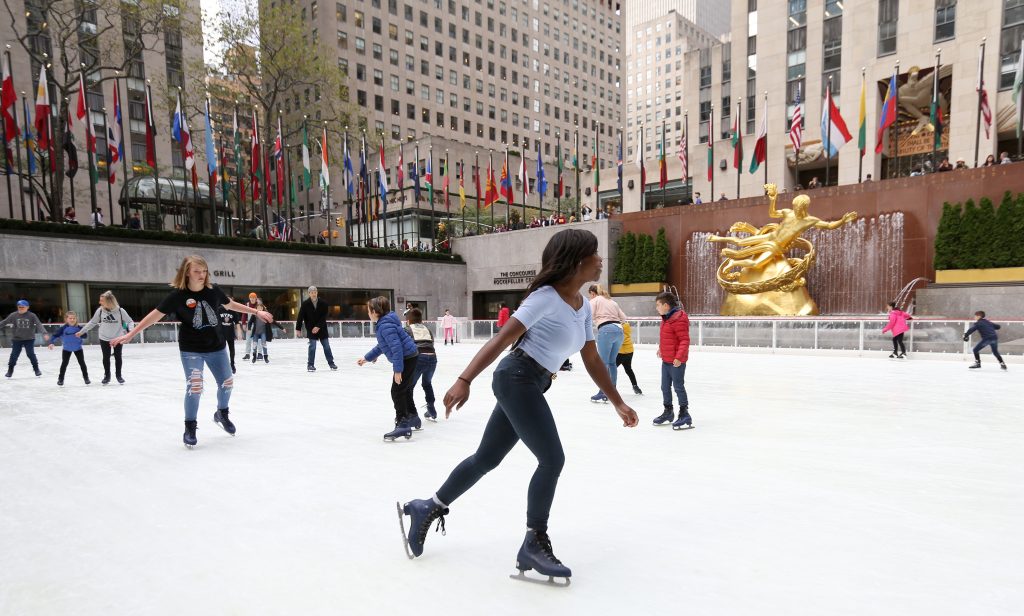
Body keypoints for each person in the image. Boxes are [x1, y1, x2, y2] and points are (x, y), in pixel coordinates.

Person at [397, 229, 638, 583]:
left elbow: (591, 358)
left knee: (486, 459)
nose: (601, 260)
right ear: (577, 260)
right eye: (595, 254)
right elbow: (503, 337)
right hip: (517, 377)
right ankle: (533, 542)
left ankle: (427, 507)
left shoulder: (582, 305)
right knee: (552, 459)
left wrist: (617, 401)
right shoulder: (544, 297)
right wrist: (465, 379)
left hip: (533, 382)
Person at [110, 254, 273, 447]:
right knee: (195, 386)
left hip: (216, 346)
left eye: (204, 271)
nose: (202, 275)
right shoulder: (177, 296)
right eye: (197, 271)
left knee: (227, 383)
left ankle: (222, 413)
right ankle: (190, 426)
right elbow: (154, 316)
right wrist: (131, 334)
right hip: (191, 348)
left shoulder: (213, 291)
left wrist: (256, 311)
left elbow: (230, 304)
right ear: (187, 272)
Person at [357, 296, 420, 440]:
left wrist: (397, 370)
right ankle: (411, 418)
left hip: (406, 358)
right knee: (403, 389)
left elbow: (396, 348)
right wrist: (367, 358)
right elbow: (382, 346)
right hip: (410, 356)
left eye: (368, 310)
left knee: (397, 391)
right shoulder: (386, 322)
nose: (367, 313)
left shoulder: (385, 325)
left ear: (375, 311)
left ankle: (403, 424)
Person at [652, 291, 692, 429]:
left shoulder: (678, 318)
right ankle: (668, 411)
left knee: (678, 387)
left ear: (666, 305)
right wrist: (661, 348)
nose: (656, 308)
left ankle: (684, 413)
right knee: (664, 387)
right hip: (666, 360)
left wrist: (679, 357)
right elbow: (667, 337)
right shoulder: (666, 318)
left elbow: (684, 340)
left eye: (658, 305)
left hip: (676, 361)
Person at [77, 290, 134, 385]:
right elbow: (92, 322)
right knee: (106, 357)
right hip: (104, 337)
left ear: (109, 301)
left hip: (118, 337)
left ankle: (118, 376)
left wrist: (131, 332)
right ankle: (107, 376)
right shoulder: (100, 311)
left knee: (118, 357)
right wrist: (82, 331)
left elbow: (130, 321)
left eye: (102, 300)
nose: (99, 302)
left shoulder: (120, 311)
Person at [588, 284, 627, 404]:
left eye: (589, 295)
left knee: (603, 363)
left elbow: (588, 316)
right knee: (612, 362)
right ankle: (612, 389)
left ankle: (603, 391)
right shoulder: (612, 301)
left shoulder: (595, 300)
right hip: (619, 331)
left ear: (593, 293)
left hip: (606, 330)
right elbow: (624, 318)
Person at [405, 308, 438, 420]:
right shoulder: (427, 329)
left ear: (409, 320)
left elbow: (405, 345)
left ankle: (411, 413)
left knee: (409, 387)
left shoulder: (408, 329)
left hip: (419, 358)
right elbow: (431, 342)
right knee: (427, 384)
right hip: (432, 358)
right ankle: (431, 408)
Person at [2, 300, 50, 378]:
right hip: (17, 339)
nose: (21, 308)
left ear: (27, 307)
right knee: (14, 355)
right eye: (19, 307)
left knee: (30, 354)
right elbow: (4, 322)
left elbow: (38, 324)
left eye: (23, 307)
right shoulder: (13, 315)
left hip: (29, 339)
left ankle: (36, 369)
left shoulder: (32, 315)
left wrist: (44, 333)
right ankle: (10, 370)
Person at [296, 286, 337, 372]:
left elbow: (324, 317)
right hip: (311, 329)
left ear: (317, 293)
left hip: (322, 328)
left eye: (315, 292)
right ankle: (310, 365)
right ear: (309, 294)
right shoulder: (305, 304)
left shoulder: (324, 303)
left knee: (326, 346)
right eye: (311, 292)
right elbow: (300, 316)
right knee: (312, 346)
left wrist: (318, 326)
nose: (313, 294)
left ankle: (331, 363)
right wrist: (298, 328)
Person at [48, 311, 90, 386]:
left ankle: (86, 378)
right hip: (66, 349)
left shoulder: (79, 328)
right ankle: (60, 379)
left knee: (82, 363)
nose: (72, 320)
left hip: (78, 348)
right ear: (66, 319)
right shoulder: (63, 328)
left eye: (74, 318)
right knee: (64, 364)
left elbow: (85, 336)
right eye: (70, 318)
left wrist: (80, 334)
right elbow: (55, 335)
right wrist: (51, 342)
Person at [616, 321, 642, 395]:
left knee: (611, 370)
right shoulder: (627, 327)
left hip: (621, 353)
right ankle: (635, 386)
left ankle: (609, 389)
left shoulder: (619, 329)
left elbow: (619, 341)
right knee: (628, 369)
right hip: (629, 351)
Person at [217, 300, 239, 374]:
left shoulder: (233, 310)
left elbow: (237, 322)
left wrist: (239, 331)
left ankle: (232, 364)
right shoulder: (219, 309)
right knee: (222, 350)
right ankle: (222, 364)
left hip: (230, 333)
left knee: (231, 349)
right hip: (221, 334)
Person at [241, 293, 260, 360]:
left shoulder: (259, 304)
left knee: (259, 340)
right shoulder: (247, 305)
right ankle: (247, 354)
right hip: (249, 324)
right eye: (251, 297)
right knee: (248, 340)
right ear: (249, 298)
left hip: (258, 324)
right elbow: (244, 314)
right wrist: (243, 323)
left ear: (256, 298)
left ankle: (260, 354)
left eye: (253, 297)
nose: (252, 298)